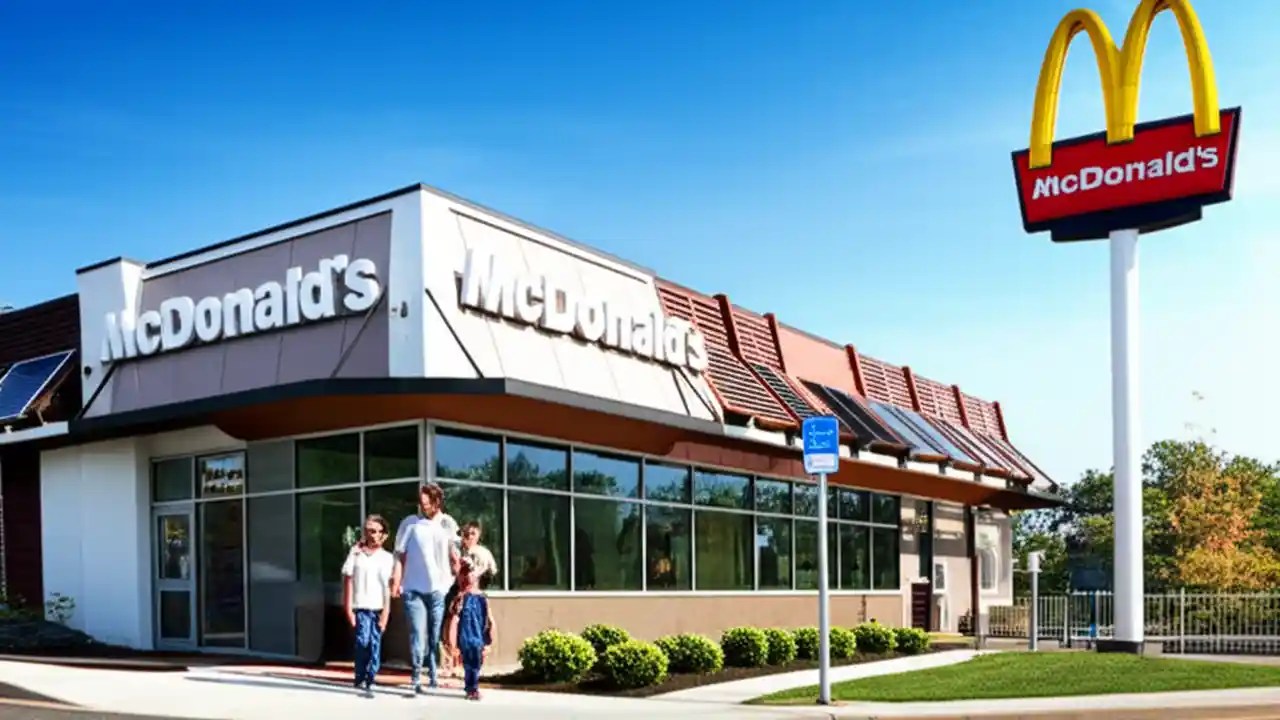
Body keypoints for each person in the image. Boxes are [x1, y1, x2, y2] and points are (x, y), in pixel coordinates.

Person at [391, 483, 459, 694]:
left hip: (438, 588)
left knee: (434, 634)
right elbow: (400, 555)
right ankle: (416, 676)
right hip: (413, 588)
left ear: (437, 502)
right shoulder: (410, 524)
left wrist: (459, 571)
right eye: (420, 502)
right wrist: (396, 581)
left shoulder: (447, 523)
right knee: (417, 633)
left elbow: (454, 553)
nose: (422, 506)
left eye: (426, 503)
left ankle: (433, 674)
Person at [341, 514, 394, 698]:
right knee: (362, 641)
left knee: (374, 644)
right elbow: (348, 579)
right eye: (370, 531)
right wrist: (348, 608)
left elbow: (387, 588)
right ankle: (360, 675)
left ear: (383, 534)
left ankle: (371, 678)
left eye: (378, 531)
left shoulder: (387, 558)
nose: (374, 535)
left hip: (378, 607)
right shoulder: (356, 554)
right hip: (361, 606)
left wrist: (386, 612)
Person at [442, 522, 499, 678]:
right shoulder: (457, 549)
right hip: (460, 590)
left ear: (478, 536)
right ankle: (453, 659)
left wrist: (477, 578)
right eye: (466, 533)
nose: (469, 537)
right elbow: (455, 571)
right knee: (452, 620)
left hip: (476, 592)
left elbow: (491, 572)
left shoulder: (483, 553)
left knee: (483, 622)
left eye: (473, 534)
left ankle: (480, 655)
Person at [443, 559, 495, 701]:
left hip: (479, 638)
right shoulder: (459, 599)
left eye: (470, 573)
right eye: (464, 574)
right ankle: (472, 688)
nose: (467, 577)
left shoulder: (482, 598)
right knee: (469, 664)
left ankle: (472, 686)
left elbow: (489, 620)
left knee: (476, 664)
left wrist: (490, 642)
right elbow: (453, 621)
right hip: (465, 638)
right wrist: (452, 644)